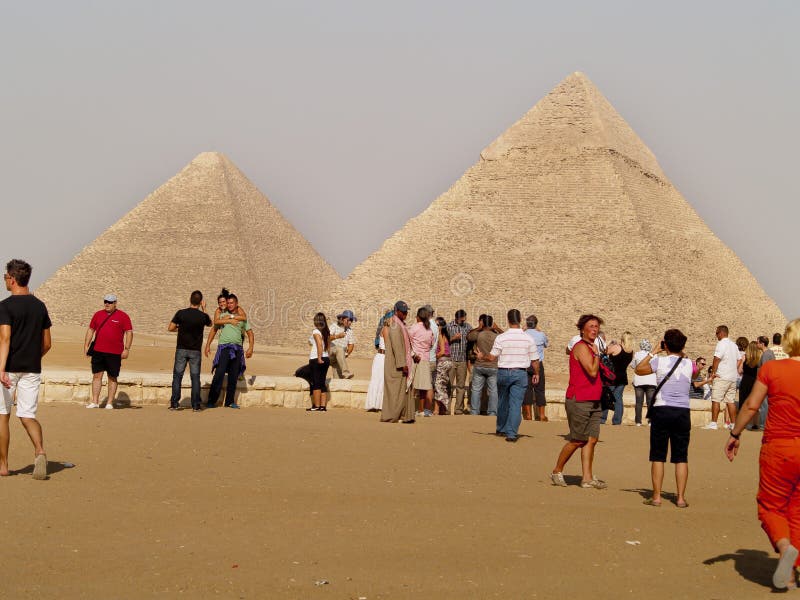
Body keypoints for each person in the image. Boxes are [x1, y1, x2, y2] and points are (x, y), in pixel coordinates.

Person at [726, 319, 800, 589]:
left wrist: (735, 435)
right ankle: (792, 570)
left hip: (779, 447)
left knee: (770, 506)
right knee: (797, 509)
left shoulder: (772, 368)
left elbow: (751, 405)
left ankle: (784, 547)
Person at [0, 259, 51, 480]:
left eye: (4, 277)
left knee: (2, 416)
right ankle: (39, 450)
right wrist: (32, 357)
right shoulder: (40, 306)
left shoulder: (5, 306)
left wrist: (0, 369)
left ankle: (3, 465)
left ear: (12, 278)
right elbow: (47, 343)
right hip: (32, 369)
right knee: (28, 415)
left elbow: (5, 338)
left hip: (8, 369)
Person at [634, 329, 693, 508]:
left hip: (662, 409)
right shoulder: (690, 363)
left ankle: (657, 497)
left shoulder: (659, 361)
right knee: (681, 457)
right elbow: (695, 374)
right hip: (682, 411)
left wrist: (654, 351)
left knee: (658, 455)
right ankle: (681, 498)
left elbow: (639, 369)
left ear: (665, 344)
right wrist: (681, 351)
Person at [551, 314, 607, 488]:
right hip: (580, 399)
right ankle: (557, 471)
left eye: (596, 326)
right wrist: (598, 356)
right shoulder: (581, 347)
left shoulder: (591, 347)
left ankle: (587, 478)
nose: (594, 329)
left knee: (592, 440)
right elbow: (591, 371)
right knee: (578, 439)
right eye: (590, 326)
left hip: (594, 398)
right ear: (582, 329)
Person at [475, 309, 539, 443]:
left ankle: (501, 428)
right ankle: (512, 433)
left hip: (503, 372)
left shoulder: (501, 337)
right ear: (520, 319)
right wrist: (536, 373)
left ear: (508, 320)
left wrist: (482, 356)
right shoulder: (528, 338)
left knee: (503, 401)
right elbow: (535, 360)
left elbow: (492, 357)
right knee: (516, 404)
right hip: (520, 372)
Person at [84, 293, 133, 409]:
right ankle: (95, 401)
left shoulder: (123, 316)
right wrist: (86, 345)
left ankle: (110, 402)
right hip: (98, 351)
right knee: (97, 376)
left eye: (110, 302)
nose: (107, 304)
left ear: (115, 303)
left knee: (112, 377)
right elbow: (91, 330)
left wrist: (127, 349)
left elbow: (129, 332)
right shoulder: (98, 315)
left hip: (115, 352)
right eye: (105, 301)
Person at [205, 294, 253, 409]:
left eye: (232, 303)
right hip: (224, 348)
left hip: (237, 349)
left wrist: (251, 347)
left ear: (236, 304)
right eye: (228, 302)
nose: (229, 304)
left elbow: (250, 333)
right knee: (219, 373)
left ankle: (230, 401)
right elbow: (214, 330)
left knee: (233, 375)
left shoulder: (242, 318)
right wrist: (207, 345)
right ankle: (212, 400)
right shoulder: (222, 316)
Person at [167, 290, 211, 411]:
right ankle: (196, 405)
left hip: (181, 349)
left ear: (190, 299)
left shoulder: (181, 313)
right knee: (195, 378)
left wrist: (180, 329)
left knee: (177, 376)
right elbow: (210, 323)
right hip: (195, 351)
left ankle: (174, 403)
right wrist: (204, 309)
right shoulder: (202, 316)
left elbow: (170, 328)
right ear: (201, 302)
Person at [381, 301, 415, 423]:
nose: (405, 314)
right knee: (395, 392)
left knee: (404, 391)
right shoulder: (395, 325)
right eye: (403, 311)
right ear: (397, 311)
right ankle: (391, 416)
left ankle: (406, 415)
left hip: (402, 362)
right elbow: (397, 346)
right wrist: (402, 364)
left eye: (406, 311)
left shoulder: (400, 324)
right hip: (396, 364)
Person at [205, 288, 248, 374]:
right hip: (225, 341)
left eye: (224, 302)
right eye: (220, 302)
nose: (222, 304)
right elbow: (215, 324)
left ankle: (239, 372)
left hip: (238, 337)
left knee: (236, 358)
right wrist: (207, 345)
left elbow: (244, 317)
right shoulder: (218, 311)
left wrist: (231, 317)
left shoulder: (237, 308)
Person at [705, 325, 740, 430]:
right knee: (730, 401)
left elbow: (716, 359)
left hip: (722, 376)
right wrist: (733, 369)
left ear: (721, 333)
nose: (716, 336)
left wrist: (713, 372)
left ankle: (713, 423)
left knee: (716, 399)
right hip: (732, 377)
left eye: (716, 333)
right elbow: (739, 359)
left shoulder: (721, 344)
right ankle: (733, 424)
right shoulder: (734, 345)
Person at [467, 314, 500, 416]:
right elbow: (507, 336)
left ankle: (474, 411)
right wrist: (498, 328)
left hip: (480, 364)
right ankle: (492, 412)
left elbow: (468, 336)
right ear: (491, 323)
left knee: (476, 390)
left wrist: (478, 327)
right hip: (493, 365)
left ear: (482, 323)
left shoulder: (478, 334)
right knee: (493, 390)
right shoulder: (497, 336)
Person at [601, 331, 633, 425]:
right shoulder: (630, 351)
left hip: (612, 377)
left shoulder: (616, 347)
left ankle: (602, 419)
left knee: (607, 397)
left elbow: (604, 351)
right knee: (618, 399)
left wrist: (610, 344)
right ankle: (617, 421)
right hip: (622, 377)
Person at [408, 307, 434, 417]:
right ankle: (421, 409)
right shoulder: (429, 330)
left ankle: (409, 408)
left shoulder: (414, 328)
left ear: (418, 316)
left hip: (415, 359)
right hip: (425, 359)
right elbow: (432, 344)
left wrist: (414, 354)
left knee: (411, 384)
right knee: (423, 387)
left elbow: (407, 342)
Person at [523, 315, 548, 421]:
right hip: (538, 363)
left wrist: (523, 329)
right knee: (540, 389)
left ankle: (528, 415)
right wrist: (539, 331)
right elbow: (546, 344)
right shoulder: (541, 335)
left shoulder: (523, 334)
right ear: (536, 324)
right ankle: (541, 415)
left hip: (526, 364)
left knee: (527, 389)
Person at [446, 310, 472, 414]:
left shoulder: (468, 327)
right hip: (451, 359)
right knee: (448, 385)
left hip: (462, 360)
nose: (464, 321)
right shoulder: (449, 327)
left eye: (464, 319)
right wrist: (453, 338)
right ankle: (446, 408)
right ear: (457, 318)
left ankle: (458, 409)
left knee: (461, 386)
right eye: (462, 319)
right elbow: (443, 342)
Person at [306, 312, 331, 411]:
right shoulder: (326, 331)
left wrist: (319, 357)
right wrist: (326, 356)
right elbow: (328, 345)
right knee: (322, 383)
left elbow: (319, 345)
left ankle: (316, 406)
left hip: (316, 358)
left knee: (316, 382)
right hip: (326, 358)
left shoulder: (316, 331)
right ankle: (322, 406)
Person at [631, 340, 657, 426]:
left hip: (639, 380)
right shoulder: (654, 355)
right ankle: (651, 421)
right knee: (650, 402)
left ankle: (638, 422)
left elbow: (632, 365)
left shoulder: (637, 354)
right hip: (651, 381)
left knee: (639, 402)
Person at [329, 310, 356, 379]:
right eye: (348, 320)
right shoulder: (334, 326)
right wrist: (337, 336)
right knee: (339, 348)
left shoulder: (350, 331)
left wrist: (347, 354)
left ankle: (342, 375)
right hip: (329, 353)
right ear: (342, 319)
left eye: (351, 320)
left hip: (338, 357)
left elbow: (351, 344)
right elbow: (327, 338)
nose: (350, 322)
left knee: (338, 380)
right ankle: (346, 372)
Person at [433, 316, 452, 415]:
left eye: (437, 325)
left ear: (441, 326)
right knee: (442, 385)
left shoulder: (440, 335)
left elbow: (442, 351)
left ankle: (437, 409)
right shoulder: (445, 335)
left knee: (438, 385)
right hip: (447, 362)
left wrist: (433, 356)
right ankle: (443, 409)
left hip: (442, 362)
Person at [738, 341, 762, 410]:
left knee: (743, 404)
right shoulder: (759, 359)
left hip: (745, 382)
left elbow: (739, 371)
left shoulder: (744, 357)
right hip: (755, 383)